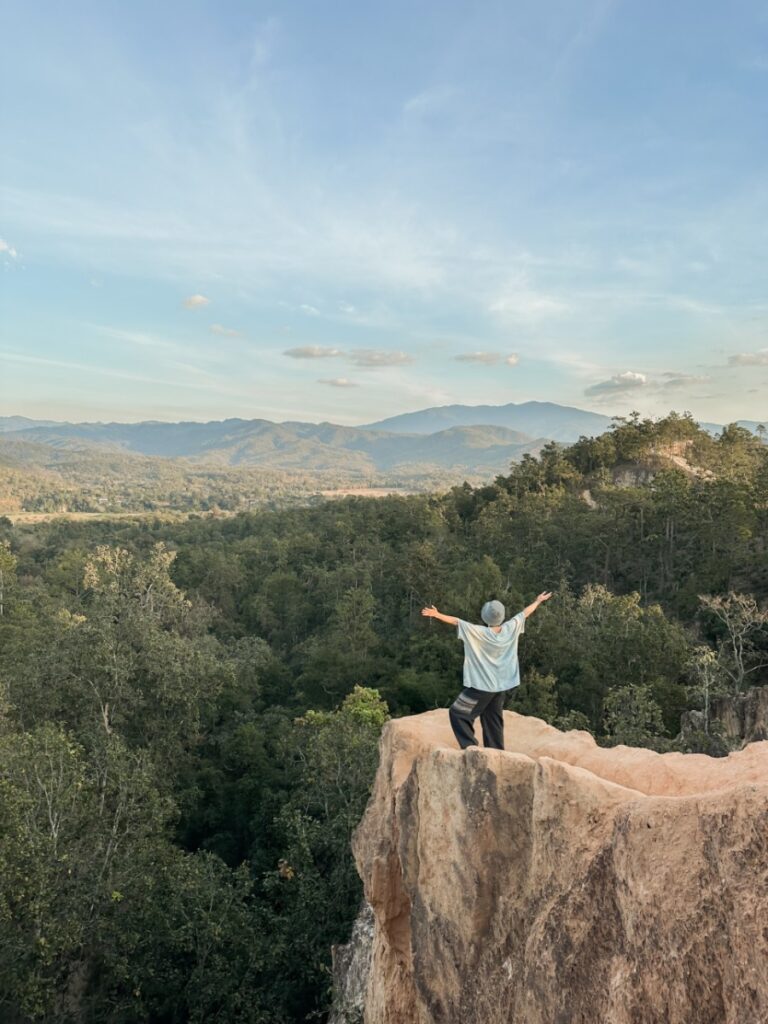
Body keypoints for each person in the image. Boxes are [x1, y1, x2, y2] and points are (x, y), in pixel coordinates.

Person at [421, 592, 552, 750]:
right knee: (492, 720)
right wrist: (538, 601)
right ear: (502, 616)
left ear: (485, 618)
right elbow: (525, 613)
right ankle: (496, 753)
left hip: (481, 687)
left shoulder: (477, 631)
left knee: (457, 713)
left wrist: (436, 614)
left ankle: (471, 747)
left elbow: (456, 621)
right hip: (500, 685)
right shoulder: (510, 628)